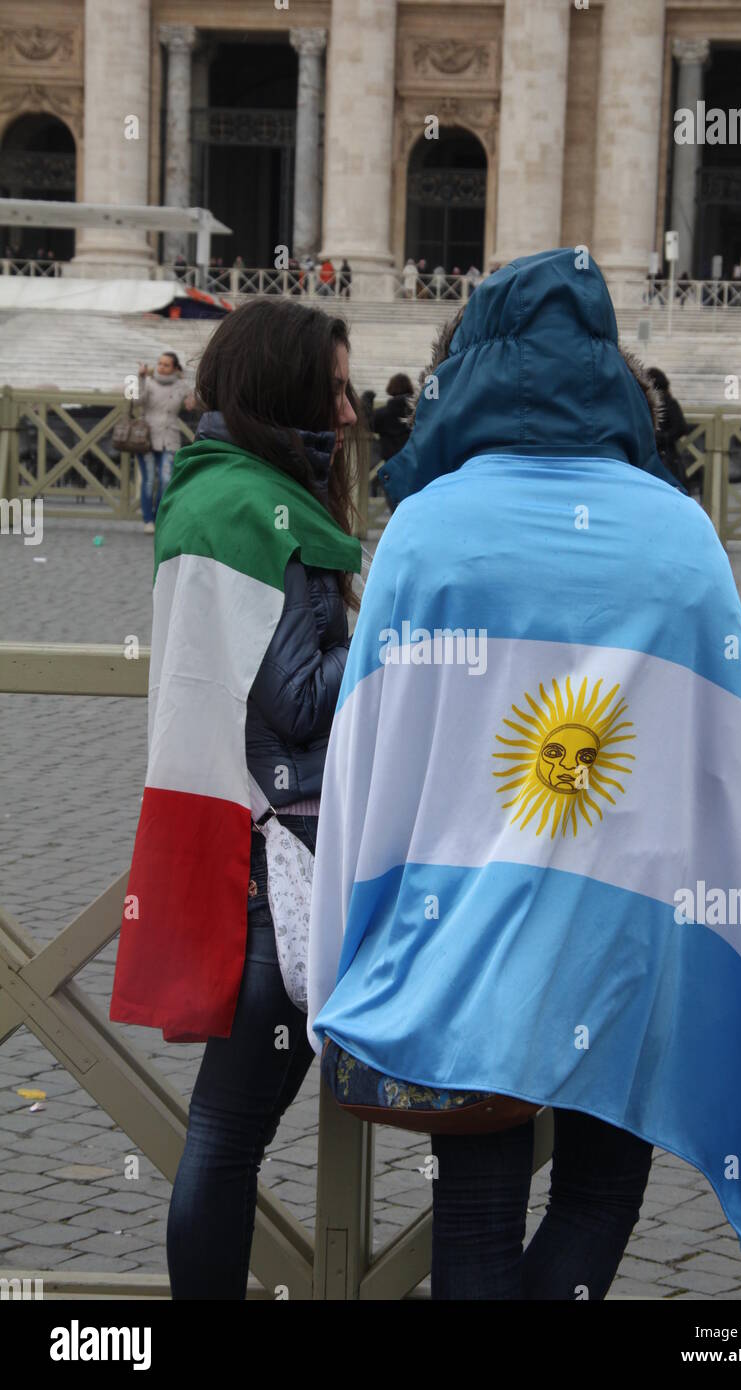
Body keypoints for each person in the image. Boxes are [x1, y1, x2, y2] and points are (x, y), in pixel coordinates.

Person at [307, 247, 741, 1300]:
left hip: (461, 926)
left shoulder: (427, 530)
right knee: (600, 1197)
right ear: (604, 370)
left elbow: (367, 756)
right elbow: (718, 758)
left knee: (473, 1206)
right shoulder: (682, 532)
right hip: (633, 918)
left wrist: (345, 956)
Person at [110, 298, 362, 1299]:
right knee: (224, 1138)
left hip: (248, 851)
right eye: (334, 388)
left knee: (223, 1136)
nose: (347, 413)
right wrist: (397, 629)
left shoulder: (215, 493)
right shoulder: (267, 511)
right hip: (280, 862)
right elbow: (299, 698)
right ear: (287, 389)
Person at [135, 352, 196, 532]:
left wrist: (185, 382)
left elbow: (192, 404)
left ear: (175, 368)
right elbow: (135, 399)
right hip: (145, 438)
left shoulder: (181, 386)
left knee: (166, 479)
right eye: (159, 363)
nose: (161, 367)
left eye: (166, 364)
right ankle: (148, 520)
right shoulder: (148, 381)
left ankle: (159, 517)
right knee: (148, 480)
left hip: (170, 438)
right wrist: (140, 378)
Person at [645, 366, 691, 493]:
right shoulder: (669, 402)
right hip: (666, 454)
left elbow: (681, 428)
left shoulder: (667, 403)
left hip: (664, 455)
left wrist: (660, 437)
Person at [372, 373, 413, 464]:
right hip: (413, 461)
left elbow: (369, 426)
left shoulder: (380, 414)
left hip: (390, 463)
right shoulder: (418, 412)